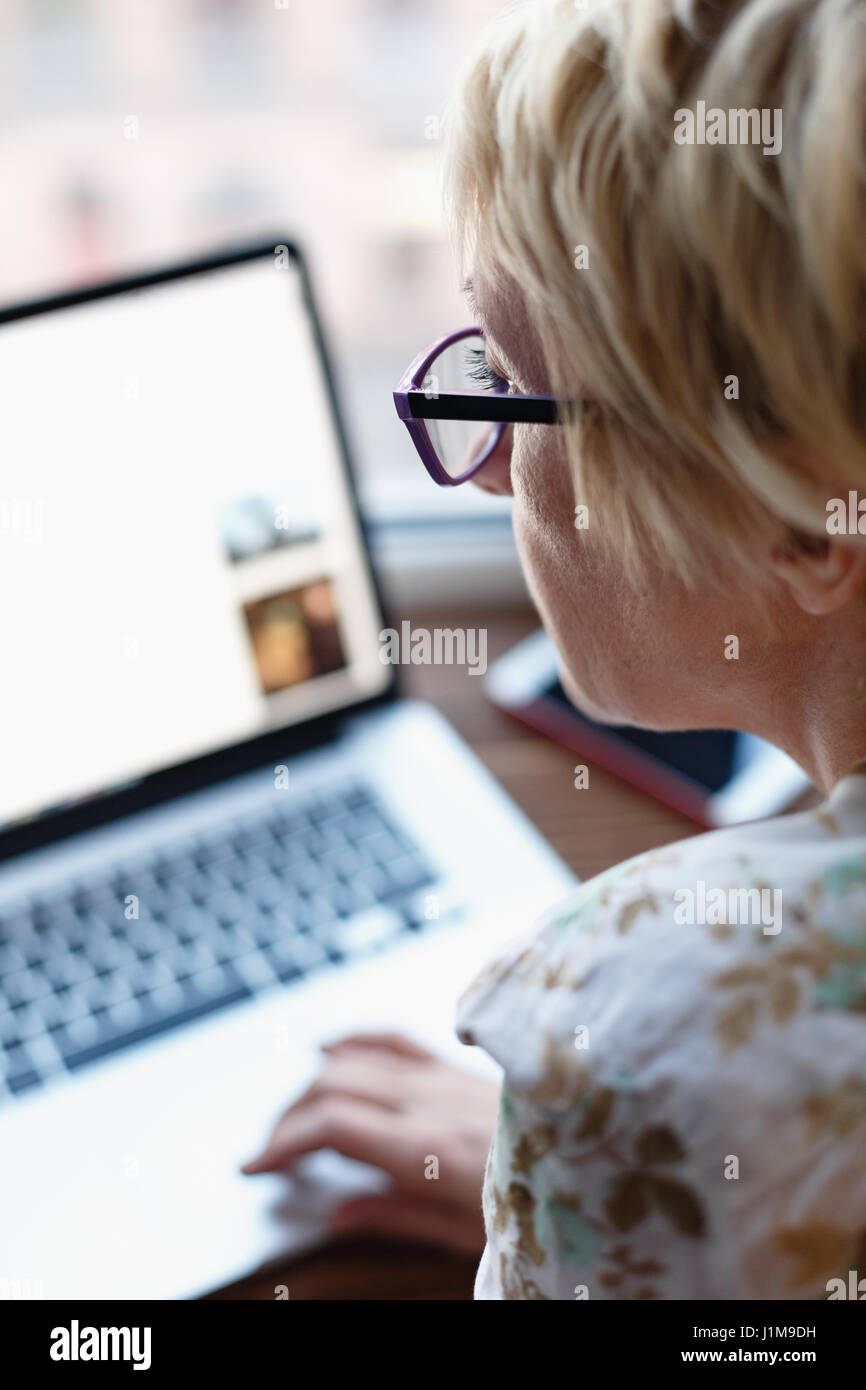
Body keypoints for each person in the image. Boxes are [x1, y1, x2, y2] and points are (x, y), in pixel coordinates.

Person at [243, 0, 866, 1298]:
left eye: (508, 383)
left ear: (809, 519)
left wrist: (611, 1138)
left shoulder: (654, 1025)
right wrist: (610, 1204)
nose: (483, 474)